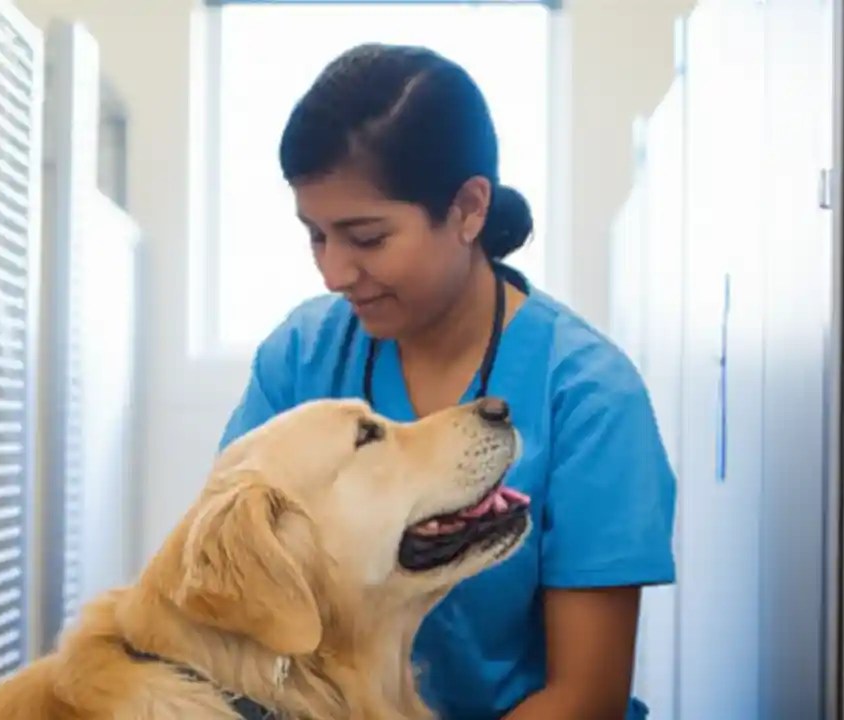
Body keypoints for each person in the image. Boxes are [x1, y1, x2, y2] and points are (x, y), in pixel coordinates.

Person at [218, 43, 676, 720]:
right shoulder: (300, 359)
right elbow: (233, 593)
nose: (333, 273)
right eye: (315, 236)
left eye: (366, 238)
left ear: (467, 209)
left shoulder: (587, 396)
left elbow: (585, 696)